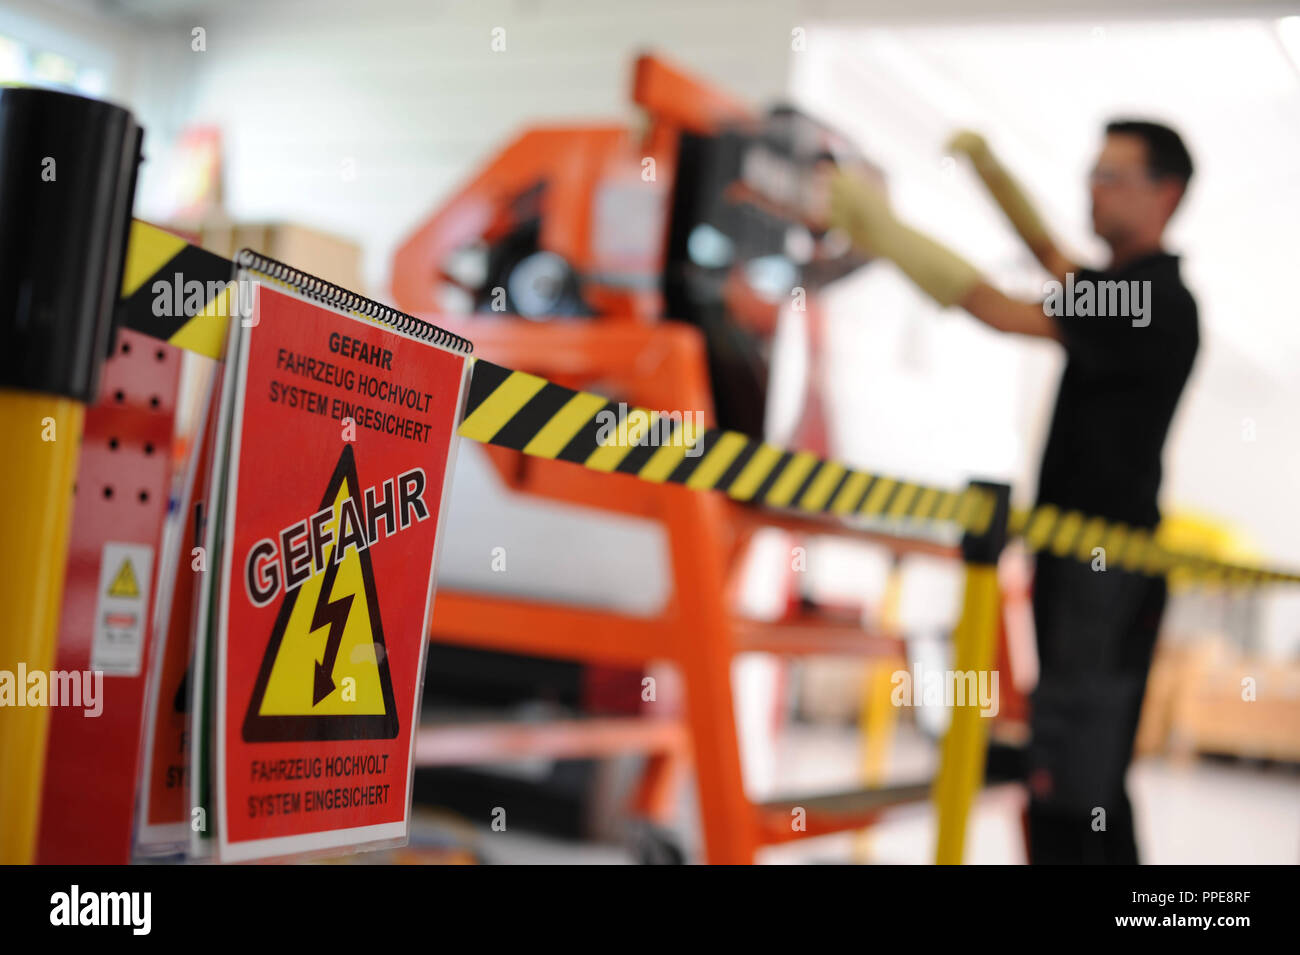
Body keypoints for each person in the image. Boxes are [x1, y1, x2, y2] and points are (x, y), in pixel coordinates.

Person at [828, 120, 1199, 864]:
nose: (1092, 190)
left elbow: (1000, 309)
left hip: (1104, 568)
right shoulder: (1127, 292)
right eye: (1090, 173)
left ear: (1167, 193)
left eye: (1112, 177)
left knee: (1074, 772)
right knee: (1079, 764)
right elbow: (1059, 267)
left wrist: (881, 231)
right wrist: (993, 180)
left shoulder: (1149, 300)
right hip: (1092, 563)